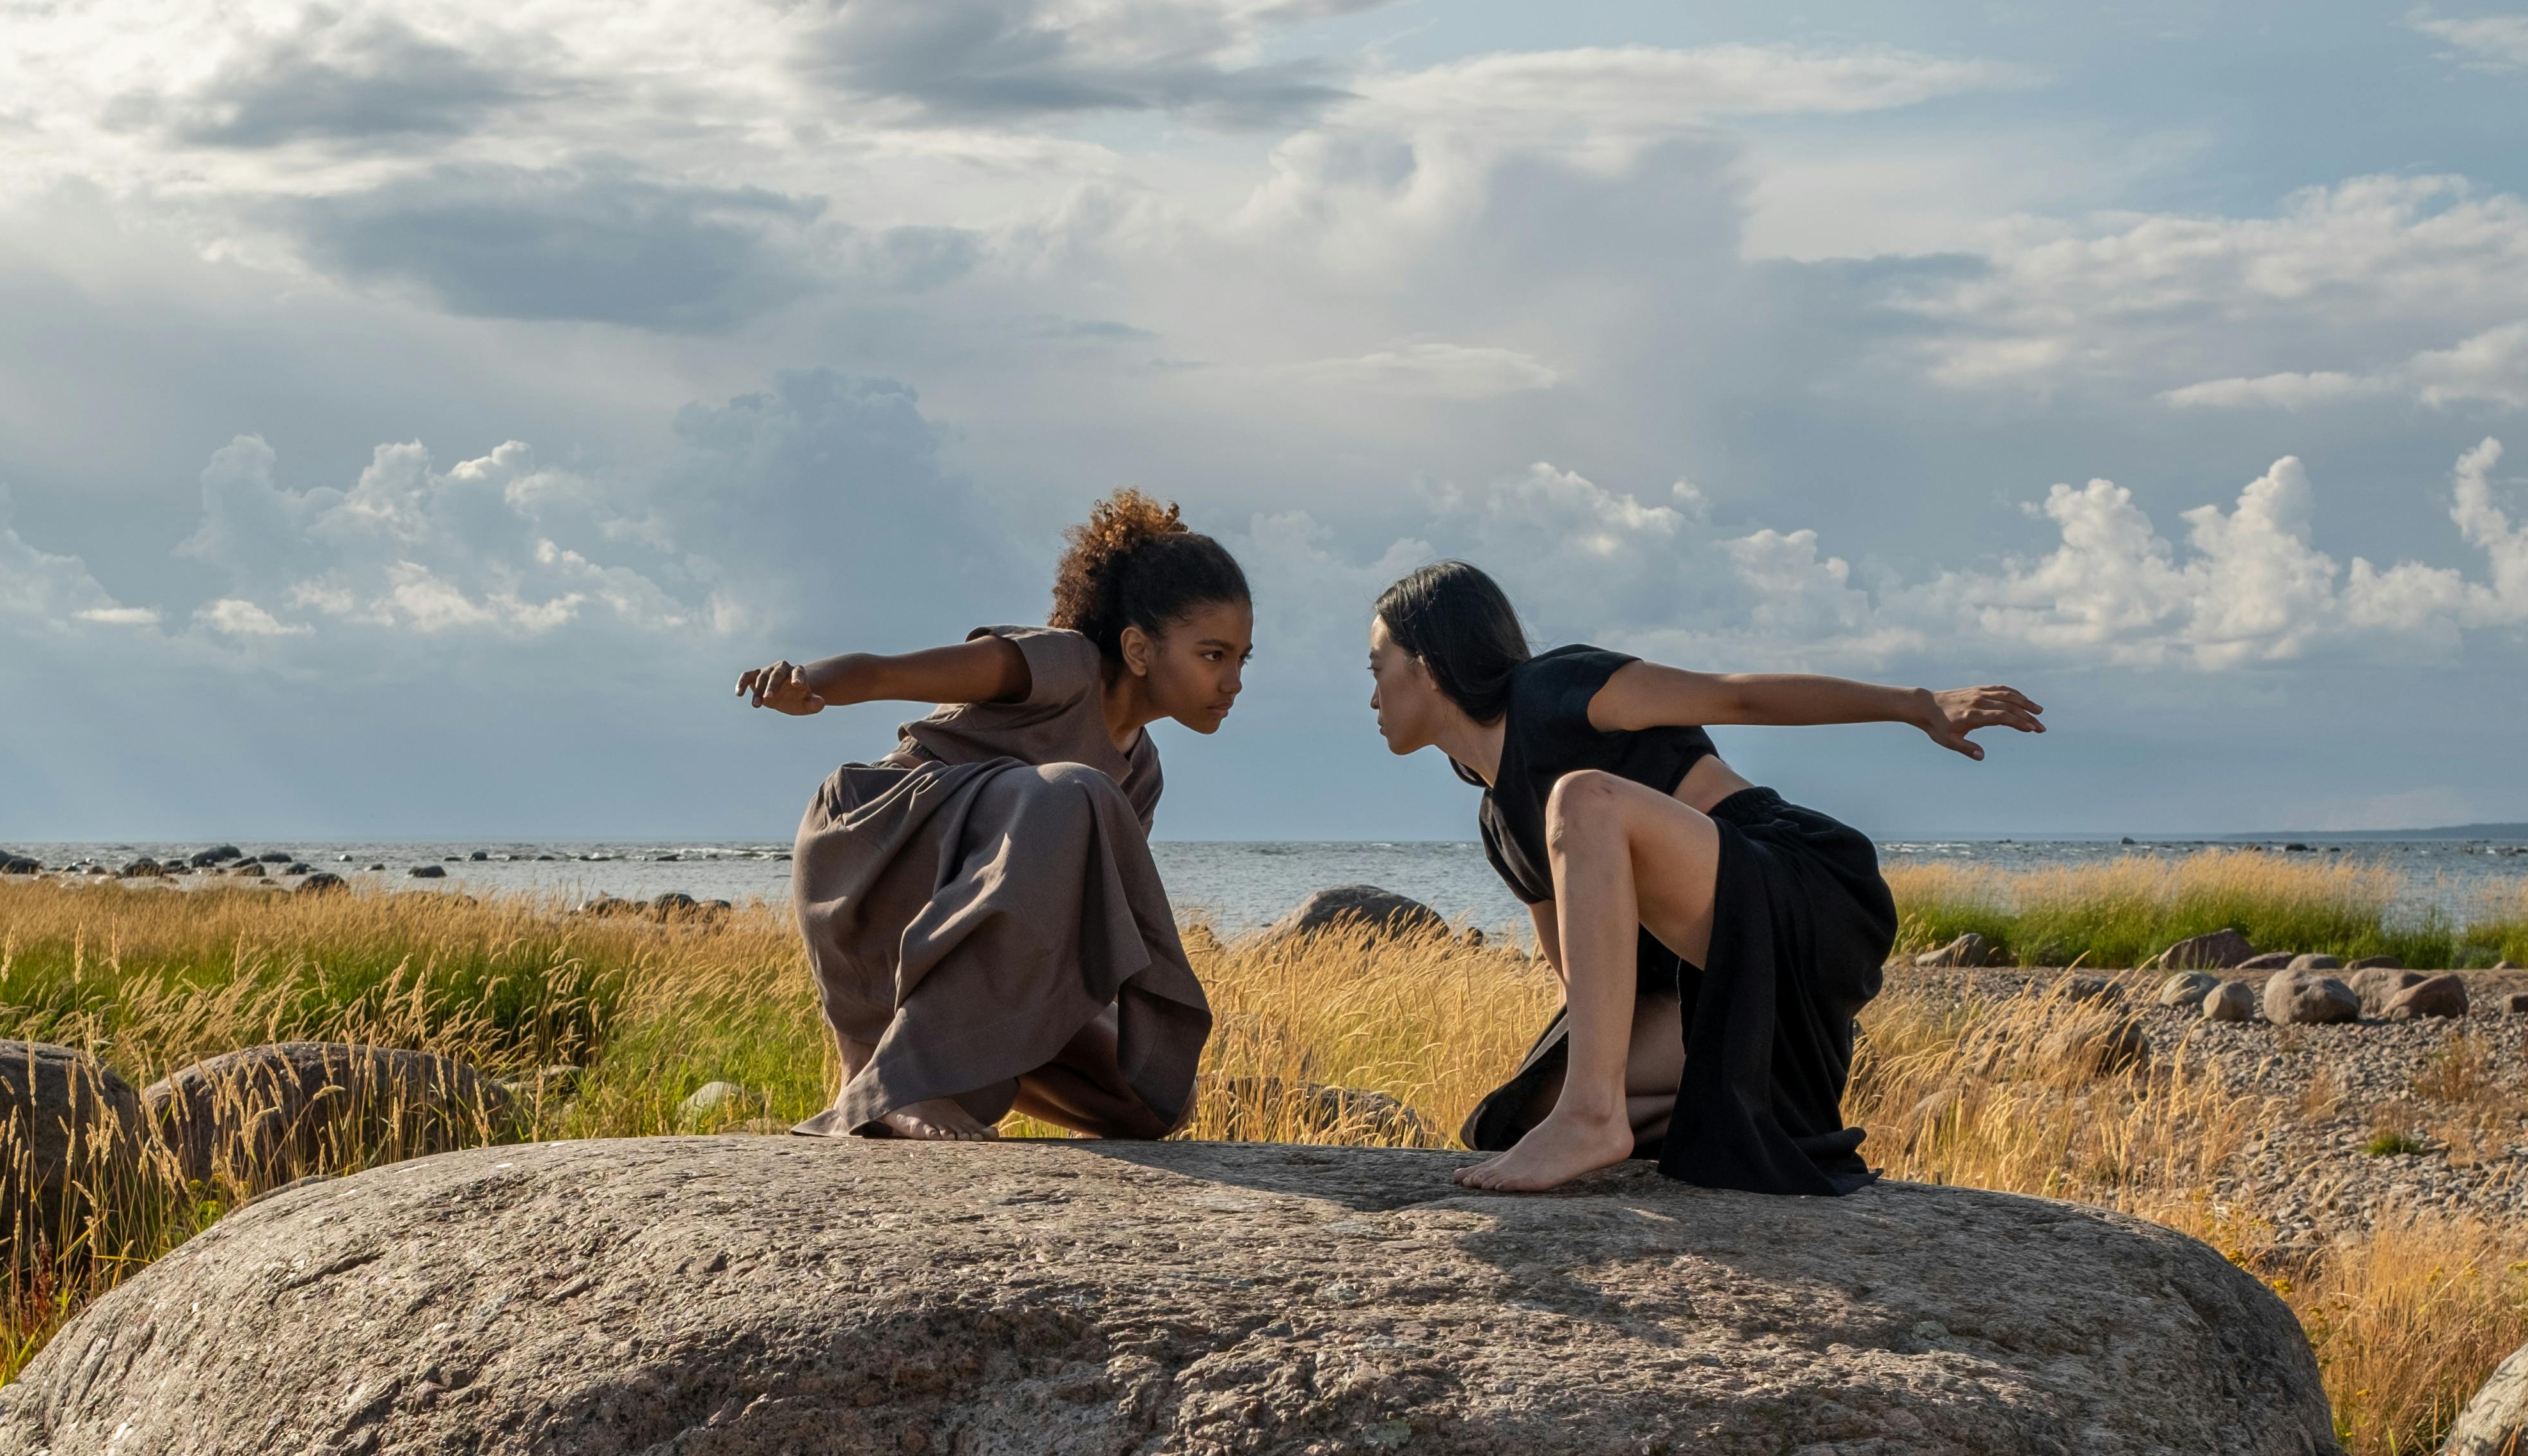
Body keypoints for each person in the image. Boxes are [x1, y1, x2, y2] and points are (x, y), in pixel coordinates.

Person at [1365, 562, 2044, 1196]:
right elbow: (1589, 986)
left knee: (1581, 798)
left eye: (1378, 666)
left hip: (1796, 887)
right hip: (1728, 980)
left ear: (1426, 665)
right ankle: (1693, 1102)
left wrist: (1916, 703)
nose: (1371, 695)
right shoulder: (1499, 825)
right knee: (1517, 1110)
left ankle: (1593, 1115)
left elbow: (1735, 697)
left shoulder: (1553, 690)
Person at [740, 493, 1250, 1140]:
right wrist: (804, 685)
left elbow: (1075, 922)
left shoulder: (1140, 773)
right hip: (875, 849)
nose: (1233, 681)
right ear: (1139, 649)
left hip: (965, 912)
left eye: (1241, 659)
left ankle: (921, 1074)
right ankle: (902, 1081)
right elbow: (882, 673)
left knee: (1152, 1096)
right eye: (1213, 655)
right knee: (1074, 794)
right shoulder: (1064, 666)